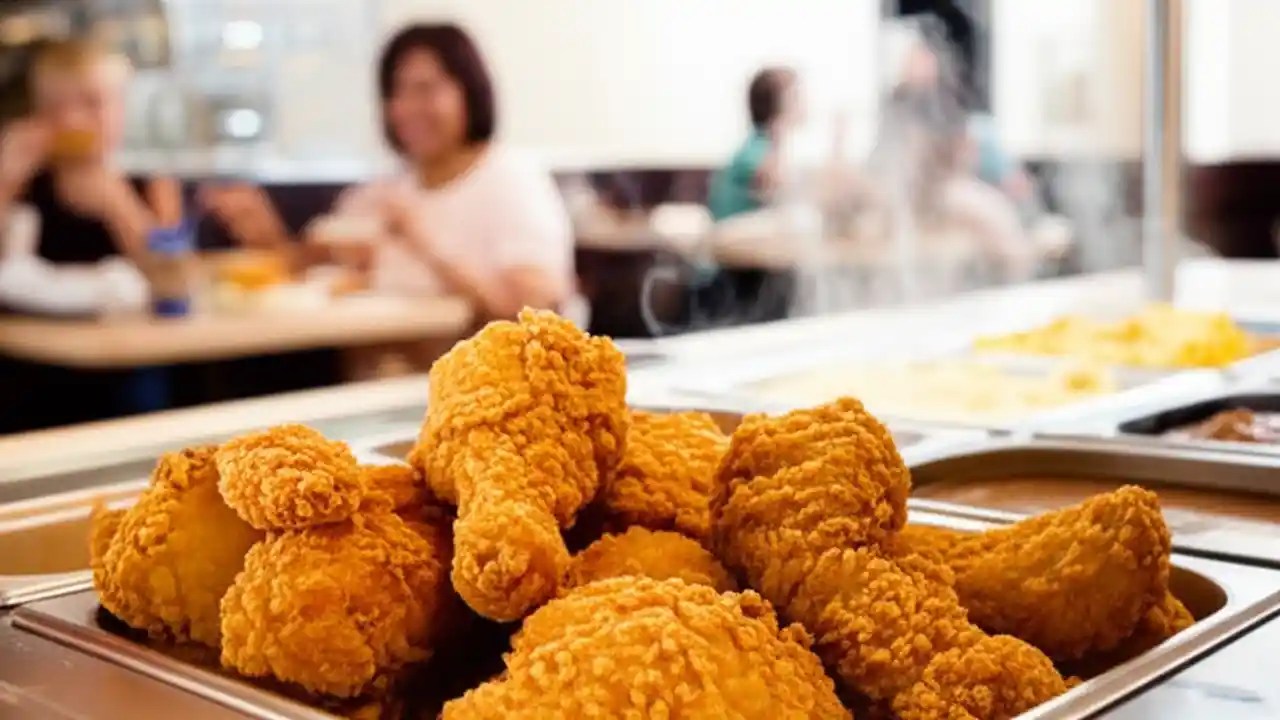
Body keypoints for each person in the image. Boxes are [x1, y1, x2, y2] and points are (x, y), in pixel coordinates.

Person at [318, 23, 575, 324]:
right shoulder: (393, 186)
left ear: (468, 92)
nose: (406, 108)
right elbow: (322, 257)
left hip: (475, 355)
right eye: (396, 91)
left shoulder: (511, 179)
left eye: (425, 90)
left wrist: (422, 240)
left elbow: (534, 310)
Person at [0, 39, 169, 315]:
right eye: (54, 106)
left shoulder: (151, 181)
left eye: (93, 103)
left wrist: (120, 209)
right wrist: (6, 182)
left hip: (127, 332)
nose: (72, 121)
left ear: (123, 109)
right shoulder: (26, 182)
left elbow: (174, 283)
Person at [707, 67, 802, 222]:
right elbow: (774, 186)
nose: (805, 104)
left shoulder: (760, 144)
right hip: (733, 230)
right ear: (779, 106)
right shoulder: (756, 149)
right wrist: (780, 134)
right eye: (796, 97)